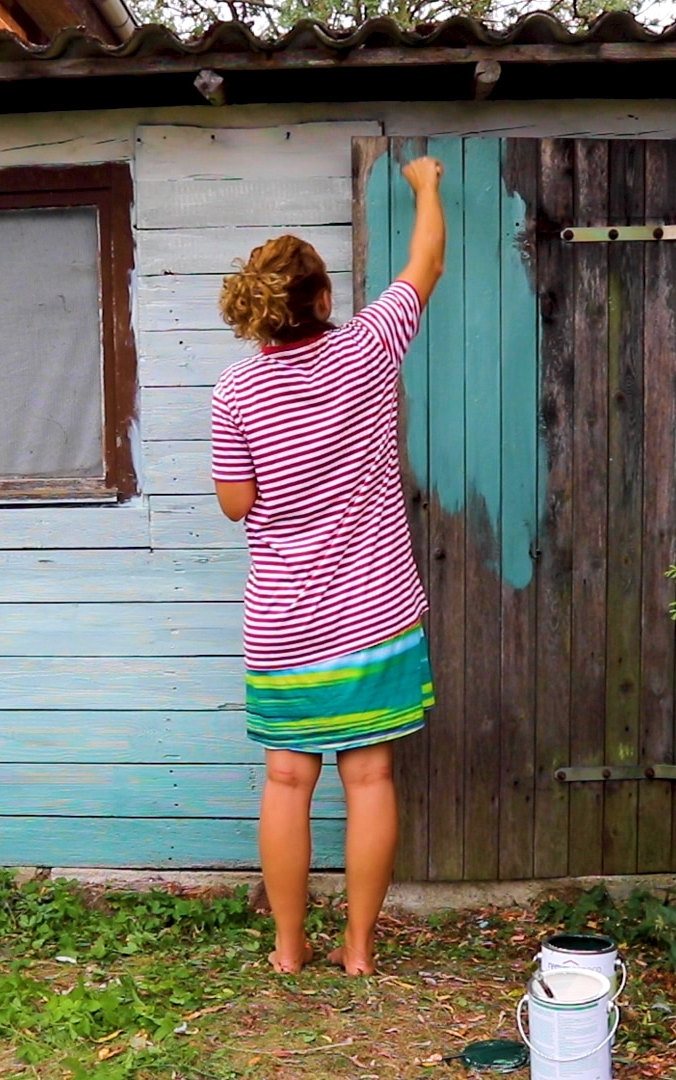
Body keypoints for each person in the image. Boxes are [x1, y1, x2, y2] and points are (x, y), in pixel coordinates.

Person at [209, 156, 447, 976]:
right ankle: (358, 952)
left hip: (283, 623)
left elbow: (236, 504)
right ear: (321, 299)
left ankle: (286, 947)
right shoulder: (373, 348)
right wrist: (425, 186)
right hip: (375, 614)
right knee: (370, 777)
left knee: (286, 782)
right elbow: (426, 264)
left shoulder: (233, 394)